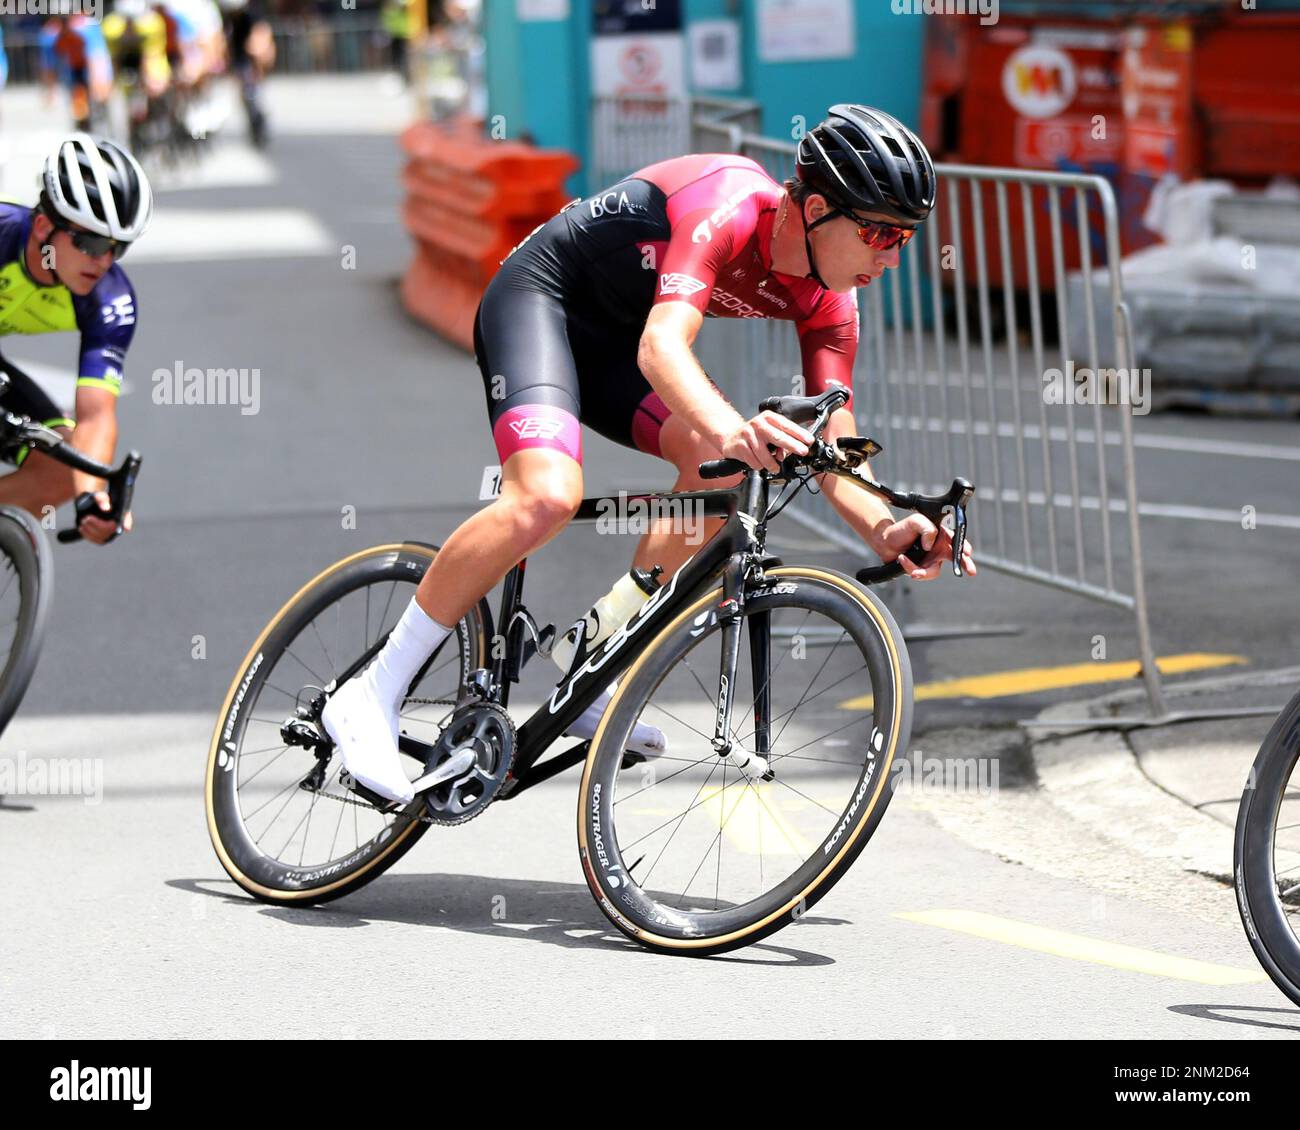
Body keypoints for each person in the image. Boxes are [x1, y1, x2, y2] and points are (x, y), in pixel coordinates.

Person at [323, 104, 977, 804]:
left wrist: (886, 525)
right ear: (815, 209)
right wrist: (733, 429)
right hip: (544, 303)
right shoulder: (727, 202)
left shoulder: (834, 301)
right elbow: (662, 345)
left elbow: (837, 437)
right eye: (879, 231)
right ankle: (370, 693)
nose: (893, 255)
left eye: (906, 236)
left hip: (617, 344)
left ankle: (591, 654)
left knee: (714, 472)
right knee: (546, 495)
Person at [0, 136, 152, 544]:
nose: (103, 261)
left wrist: (92, 499)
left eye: (118, 247)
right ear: (43, 226)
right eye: (92, 242)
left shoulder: (111, 300)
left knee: (65, 465)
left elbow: (96, 416)